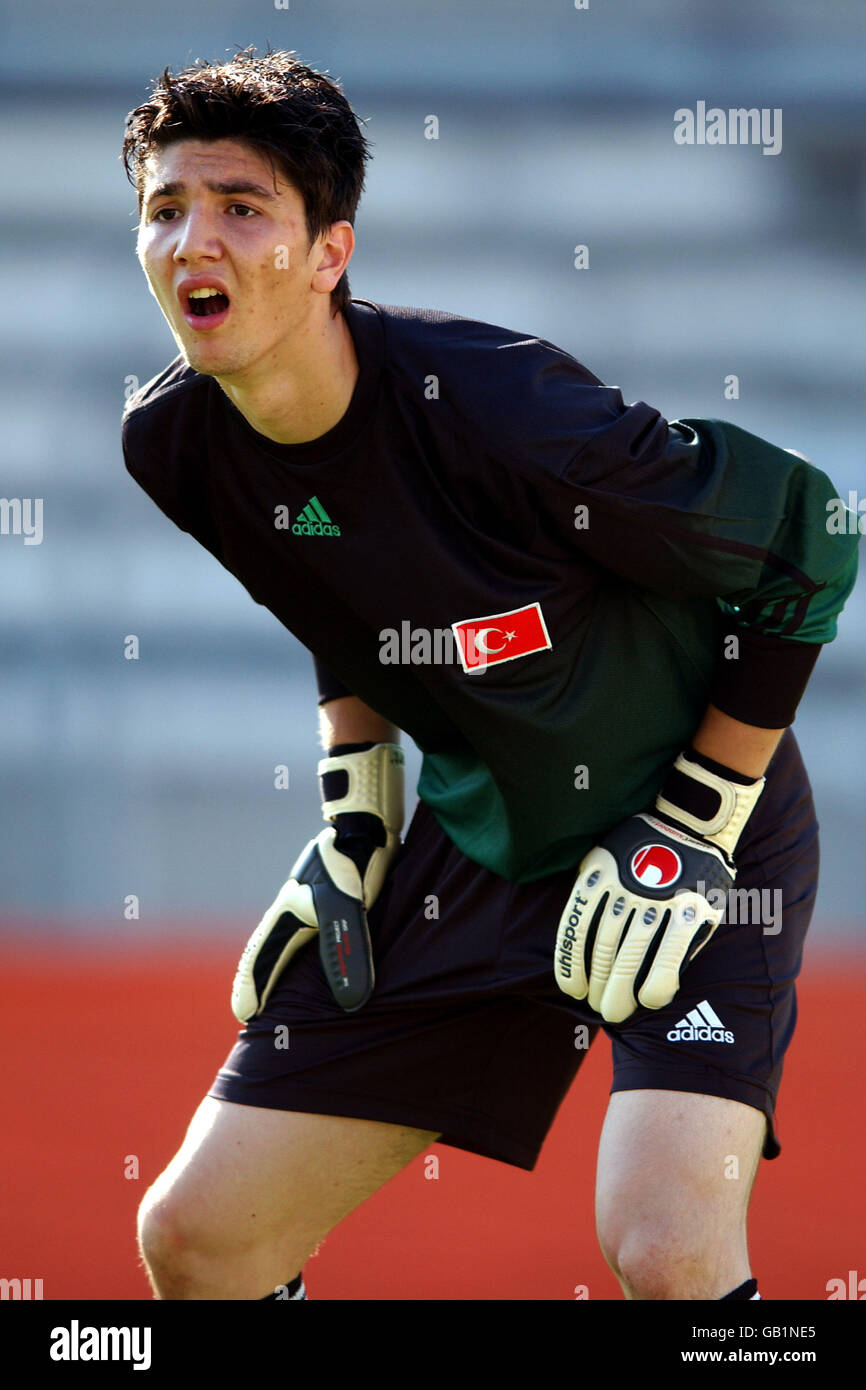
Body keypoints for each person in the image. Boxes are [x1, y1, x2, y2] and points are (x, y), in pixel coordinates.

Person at [120, 48, 858, 1301]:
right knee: (198, 1241)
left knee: (667, 1247)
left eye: (242, 207)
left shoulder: (500, 409)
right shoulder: (176, 441)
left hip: (689, 811)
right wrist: (358, 800)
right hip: (475, 840)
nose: (196, 238)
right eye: (165, 207)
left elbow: (814, 535)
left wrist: (694, 816)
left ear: (330, 252)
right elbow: (333, 589)